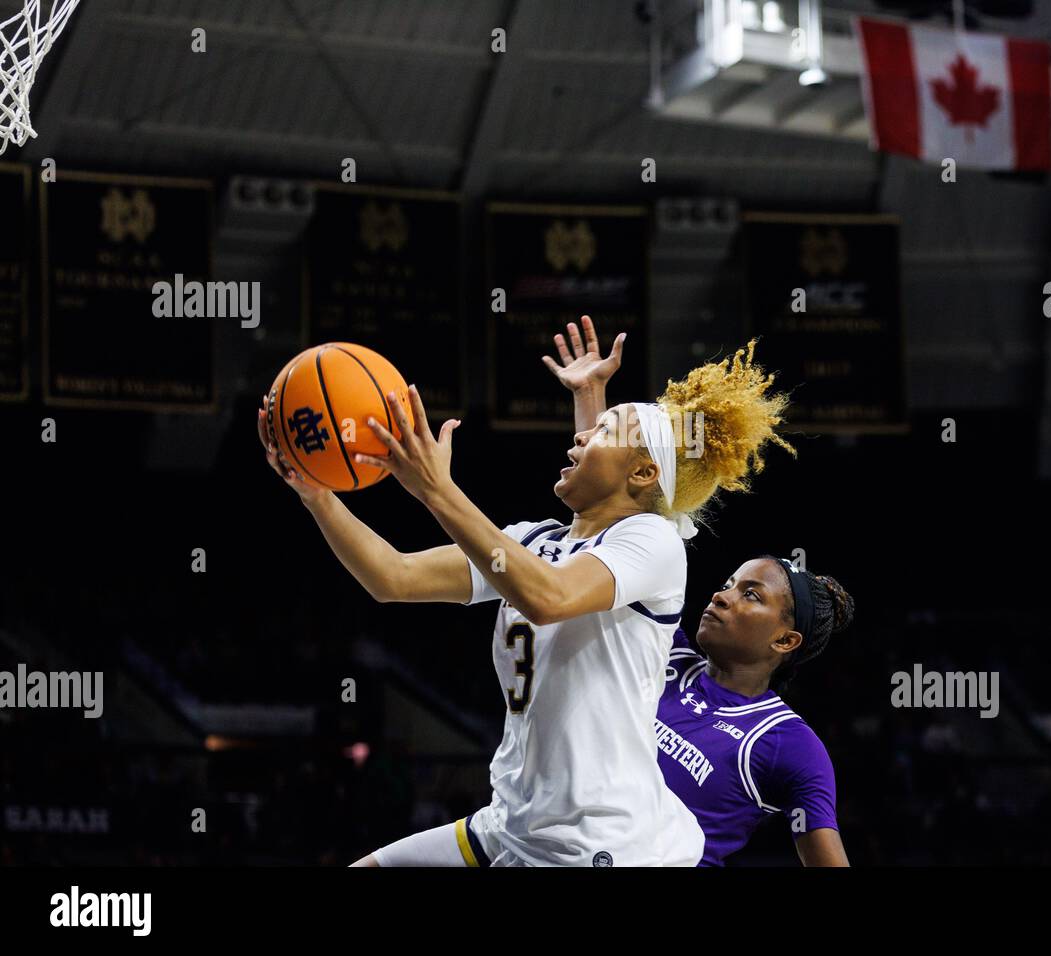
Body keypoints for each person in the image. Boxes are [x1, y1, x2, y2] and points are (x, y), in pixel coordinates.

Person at [257, 325, 792, 866]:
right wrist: (317, 495)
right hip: (511, 822)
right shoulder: (533, 543)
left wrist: (437, 490)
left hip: (595, 844)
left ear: (644, 473)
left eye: (602, 433)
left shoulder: (653, 544)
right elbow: (391, 577)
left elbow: (550, 596)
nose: (580, 437)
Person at [545, 317, 853, 866]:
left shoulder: (787, 745)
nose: (722, 596)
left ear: (786, 641)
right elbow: (615, 514)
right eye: (730, 583)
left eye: (751, 596)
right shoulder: (669, 653)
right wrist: (592, 400)